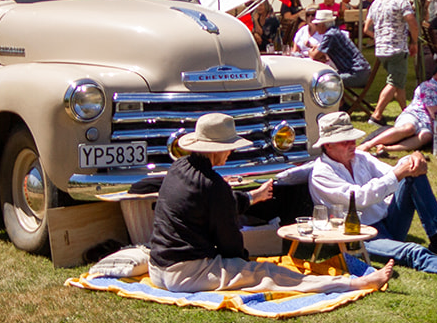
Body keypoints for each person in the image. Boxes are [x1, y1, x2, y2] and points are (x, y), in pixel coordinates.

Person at [143, 113, 393, 294]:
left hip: (159, 267)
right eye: (229, 148)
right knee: (271, 274)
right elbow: (229, 240)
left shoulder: (179, 169)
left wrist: (254, 196)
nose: (231, 153)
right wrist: (243, 264)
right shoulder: (212, 184)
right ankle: (352, 284)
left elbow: (219, 202)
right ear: (215, 148)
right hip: (186, 274)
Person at [311, 112, 437, 285]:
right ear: (328, 145)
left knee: (413, 175)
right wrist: (399, 173)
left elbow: (392, 170)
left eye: (352, 139)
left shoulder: (360, 158)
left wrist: (413, 159)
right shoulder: (321, 174)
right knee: (413, 251)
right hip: (357, 236)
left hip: (386, 222)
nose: (352, 144)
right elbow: (359, 197)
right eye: (345, 141)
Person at [362, 63, 437, 153]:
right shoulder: (428, 87)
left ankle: (389, 149)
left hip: (427, 124)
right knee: (409, 128)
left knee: (426, 136)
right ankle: (368, 144)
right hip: (414, 115)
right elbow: (435, 113)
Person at [367, 0, 420, 126]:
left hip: (381, 49)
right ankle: (376, 115)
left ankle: (405, 112)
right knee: (393, 82)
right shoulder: (401, 1)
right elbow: (412, 22)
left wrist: (379, 37)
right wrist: (414, 41)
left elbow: (366, 27)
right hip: (396, 48)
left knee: (399, 82)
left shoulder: (376, 3)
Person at [312, 12, 373, 94]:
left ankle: (334, 104)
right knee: (330, 76)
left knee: (323, 80)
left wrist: (310, 52)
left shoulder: (330, 35)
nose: (315, 27)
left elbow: (314, 56)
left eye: (316, 24)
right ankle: (342, 104)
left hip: (356, 74)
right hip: (360, 72)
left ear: (322, 25)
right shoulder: (334, 32)